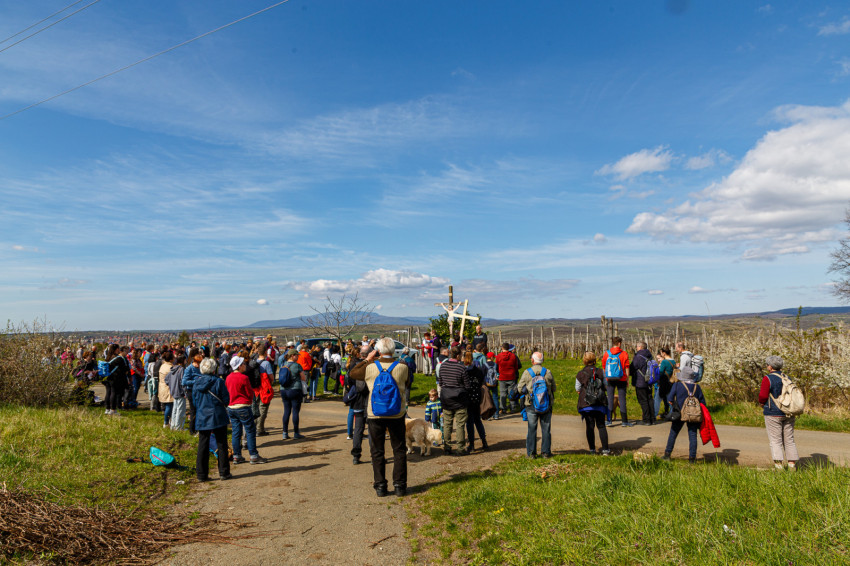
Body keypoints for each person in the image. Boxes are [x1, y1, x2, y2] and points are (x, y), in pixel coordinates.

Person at [349, 337, 409, 497]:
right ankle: (400, 485)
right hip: (397, 413)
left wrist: (367, 359)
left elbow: (353, 373)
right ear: (393, 350)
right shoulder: (403, 367)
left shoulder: (370, 368)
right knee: (399, 450)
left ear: (378, 351)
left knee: (377, 450)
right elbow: (408, 383)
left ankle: (381, 486)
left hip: (375, 413)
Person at [193, 358, 232, 481]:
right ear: (214, 369)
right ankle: (224, 472)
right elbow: (226, 399)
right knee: (221, 443)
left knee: (203, 444)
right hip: (217, 415)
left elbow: (194, 401)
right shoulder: (218, 382)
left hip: (202, 415)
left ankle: (201, 474)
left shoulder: (196, 383)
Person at [226, 356, 268, 464]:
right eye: (243, 364)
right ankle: (253, 455)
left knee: (236, 431)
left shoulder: (228, 377)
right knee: (250, 430)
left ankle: (236, 455)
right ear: (239, 366)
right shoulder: (243, 378)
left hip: (231, 407)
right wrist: (249, 401)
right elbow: (250, 393)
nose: (245, 365)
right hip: (242, 406)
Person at [759, 356, 799, 470]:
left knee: (775, 440)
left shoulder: (767, 378)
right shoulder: (787, 377)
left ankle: (779, 466)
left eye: (767, 364)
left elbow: (762, 395)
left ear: (770, 367)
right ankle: (792, 465)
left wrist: (762, 403)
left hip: (773, 412)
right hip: (789, 412)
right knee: (789, 439)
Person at [663, 366, 706, 463]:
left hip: (679, 413)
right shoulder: (697, 387)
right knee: (693, 435)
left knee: (673, 433)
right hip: (693, 414)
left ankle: (667, 454)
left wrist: (675, 405)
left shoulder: (677, 385)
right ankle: (692, 458)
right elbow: (703, 402)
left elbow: (669, 399)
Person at [517, 351, 556, 458]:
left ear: (532, 360)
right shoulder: (547, 372)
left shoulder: (527, 372)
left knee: (531, 429)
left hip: (531, 404)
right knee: (546, 429)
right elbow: (554, 388)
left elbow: (519, 389)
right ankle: (546, 452)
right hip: (546, 404)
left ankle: (531, 453)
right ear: (542, 360)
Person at [437, 346, 473, 456]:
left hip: (446, 398)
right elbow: (467, 385)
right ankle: (460, 448)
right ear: (458, 356)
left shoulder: (443, 366)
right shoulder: (461, 368)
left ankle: (447, 447)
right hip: (459, 399)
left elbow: (441, 382)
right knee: (460, 424)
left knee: (447, 424)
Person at [575, 352, 610, 455]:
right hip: (599, 403)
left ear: (584, 361)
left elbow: (577, 388)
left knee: (589, 426)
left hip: (586, 404)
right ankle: (605, 449)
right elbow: (606, 385)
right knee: (601, 426)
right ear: (595, 360)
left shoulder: (580, 374)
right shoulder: (600, 371)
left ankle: (592, 449)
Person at [602, 337, 633, 427]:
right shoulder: (624, 353)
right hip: (621, 378)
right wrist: (627, 379)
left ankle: (608, 420)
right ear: (619, 343)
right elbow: (627, 367)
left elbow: (604, 366)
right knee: (622, 399)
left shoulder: (607, 353)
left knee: (610, 398)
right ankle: (624, 421)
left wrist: (605, 378)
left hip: (610, 379)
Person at [344, 354, 368, 464]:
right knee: (373, 430)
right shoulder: (371, 367)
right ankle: (375, 455)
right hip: (369, 401)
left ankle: (356, 455)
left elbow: (348, 382)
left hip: (357, 402)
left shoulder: (354, 367)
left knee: (358, 429)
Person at [463, 350, 488, 452]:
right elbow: (482, 382)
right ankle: (484, 441)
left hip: (468, 398)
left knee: (469, 422)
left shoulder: (464, 371)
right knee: (478, 420)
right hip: (477, 397)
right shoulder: (478, 371)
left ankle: (471, 444)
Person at [280, 350, 305, 440]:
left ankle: (285, 432)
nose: (298, 357)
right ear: (293, 356)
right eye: (297, 356)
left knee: (286, 411)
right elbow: (303, 378)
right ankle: (296, 432)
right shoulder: (297, 366)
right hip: (295, 389)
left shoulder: (283, 365)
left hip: (283, 390)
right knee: (295, 411)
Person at [630, 342, 655, 425]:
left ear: (640, 347)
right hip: (649, 380)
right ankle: (653, 419)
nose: (636, 348)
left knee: (643, 401)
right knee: (650, 399)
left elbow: (633, 368)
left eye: (637, 346)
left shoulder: (638, 357)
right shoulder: (650, 355)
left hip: (640, 381)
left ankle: (646, 420)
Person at [182, 348, 204, 434]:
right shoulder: (189, 369)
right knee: (193, 410)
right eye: (199, 353)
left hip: (200, 392)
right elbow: (184, 382)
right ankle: (192, 430)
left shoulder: (201, 367)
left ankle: (199, 427)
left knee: (200, 410)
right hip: (191, 392)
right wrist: (196, 381)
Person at [495, 343, 520, 414]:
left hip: (502, 377)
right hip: (511, 376)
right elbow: (516, 367)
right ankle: (513, 408)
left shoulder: (498, 356)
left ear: (502, 348)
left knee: (502, 393)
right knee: (511, 393)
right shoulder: (513, 356)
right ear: (508, 348)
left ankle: (503, 408)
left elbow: (496, 367)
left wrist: (498, 373)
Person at [254, 350, 275, 436]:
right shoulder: (266, 363)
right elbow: (271, 376)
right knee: (263, 408)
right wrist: (271, 382)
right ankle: (260, 429)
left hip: (255, 388)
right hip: (264, 387)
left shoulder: (254, 362)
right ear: (265, 352)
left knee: (255, 408)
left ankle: (254, 428)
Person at [166, 354, 187, 431]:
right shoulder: (181, 369)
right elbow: (183, 382)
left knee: (175, 409)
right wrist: (185, 392)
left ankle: (173, 426)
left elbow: (166, 380)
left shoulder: (172, 369)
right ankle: (178, 428)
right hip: (180, 392)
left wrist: (172, 386)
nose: (186, 361)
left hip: (174, 392)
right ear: (182, 361)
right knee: (180, 410)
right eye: (185, 360)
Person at [656, 348, 675, 420]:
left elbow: (660, 373)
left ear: (664, 353)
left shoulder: (664, 362)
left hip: (663, 383)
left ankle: (654, 414)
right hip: (671, 382)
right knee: (670, 399)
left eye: (661, 353)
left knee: (657, 399)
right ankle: (671, 414)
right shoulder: (673, 361)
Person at [158, 350, 175, 427]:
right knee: (169, 406)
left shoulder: (163, 366)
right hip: (168, 388)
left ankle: (167, 421)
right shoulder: (170, 368)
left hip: (162, 387)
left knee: (168, 405)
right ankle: (166, 422)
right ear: (171, 359)